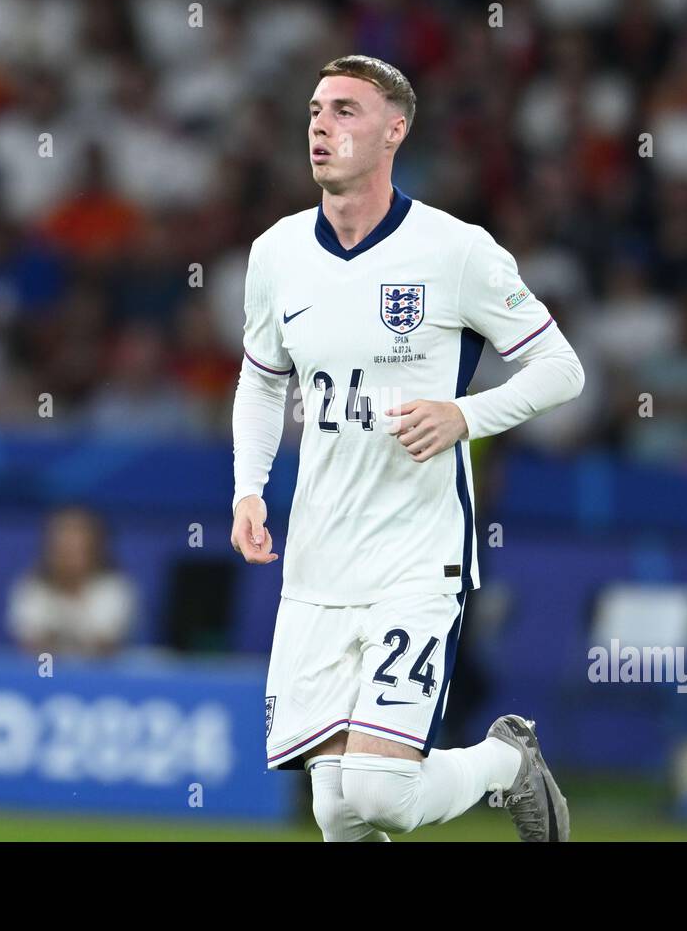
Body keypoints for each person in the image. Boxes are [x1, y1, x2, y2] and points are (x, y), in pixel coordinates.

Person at [230, 56, 584, 841]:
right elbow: (261, 382)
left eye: (345, 111)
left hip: (416, 557)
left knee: (382, 793)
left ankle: (506, 763)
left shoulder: (455, 251)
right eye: (315, 110)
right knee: (335, 811)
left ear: (395, 131)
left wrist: (465, 415)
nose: (321, 126)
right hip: (318, 560)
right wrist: (248, 489)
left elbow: (562, 368)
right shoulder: (277, 253)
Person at [7, 506, 136, 658]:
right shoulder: (33, 587)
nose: (69, 552)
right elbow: (33, 644)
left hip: (99, 672)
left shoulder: (114, 589)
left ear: (95, 547)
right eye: (63, 546)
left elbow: (105, 645)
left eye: (77, 546)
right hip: (44, 669)